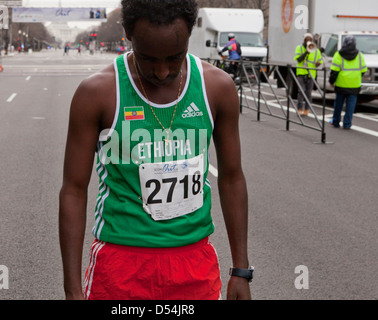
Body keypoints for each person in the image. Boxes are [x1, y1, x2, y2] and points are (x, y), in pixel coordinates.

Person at [59, 0, 251, 300]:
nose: (162, 72)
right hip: (121, 267)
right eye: (148, 58)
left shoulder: (217, 87)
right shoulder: (97, 93)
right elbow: (73, 189)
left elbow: (231, 177)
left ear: (190, 32)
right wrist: (72, 291)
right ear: (127, 33)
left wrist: (241, 270)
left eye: (175, 57)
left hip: (194, 267)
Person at [329, 36, 367, 129]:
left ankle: (336, 122)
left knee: (338, 105)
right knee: (350, 106)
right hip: (354, 84)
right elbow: (363, 70)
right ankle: (347, 124)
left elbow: (334, 71)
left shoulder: (338, 54)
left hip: (341, 84)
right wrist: (356, 77)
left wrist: (331, 81)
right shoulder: (359, 55)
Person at [294, 33, 323, 116]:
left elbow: (319, 61)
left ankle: (307, 109)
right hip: (301, 73)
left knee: (308, 92)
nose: (308, 41)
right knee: (301, 91)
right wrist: (306, 52)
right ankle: (299, 108)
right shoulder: (299, 48)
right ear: (304, 40)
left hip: (311, 74)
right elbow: (299, 59)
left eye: (310, 39)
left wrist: (318, 63)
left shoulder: (316, 50)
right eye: (307, 39)